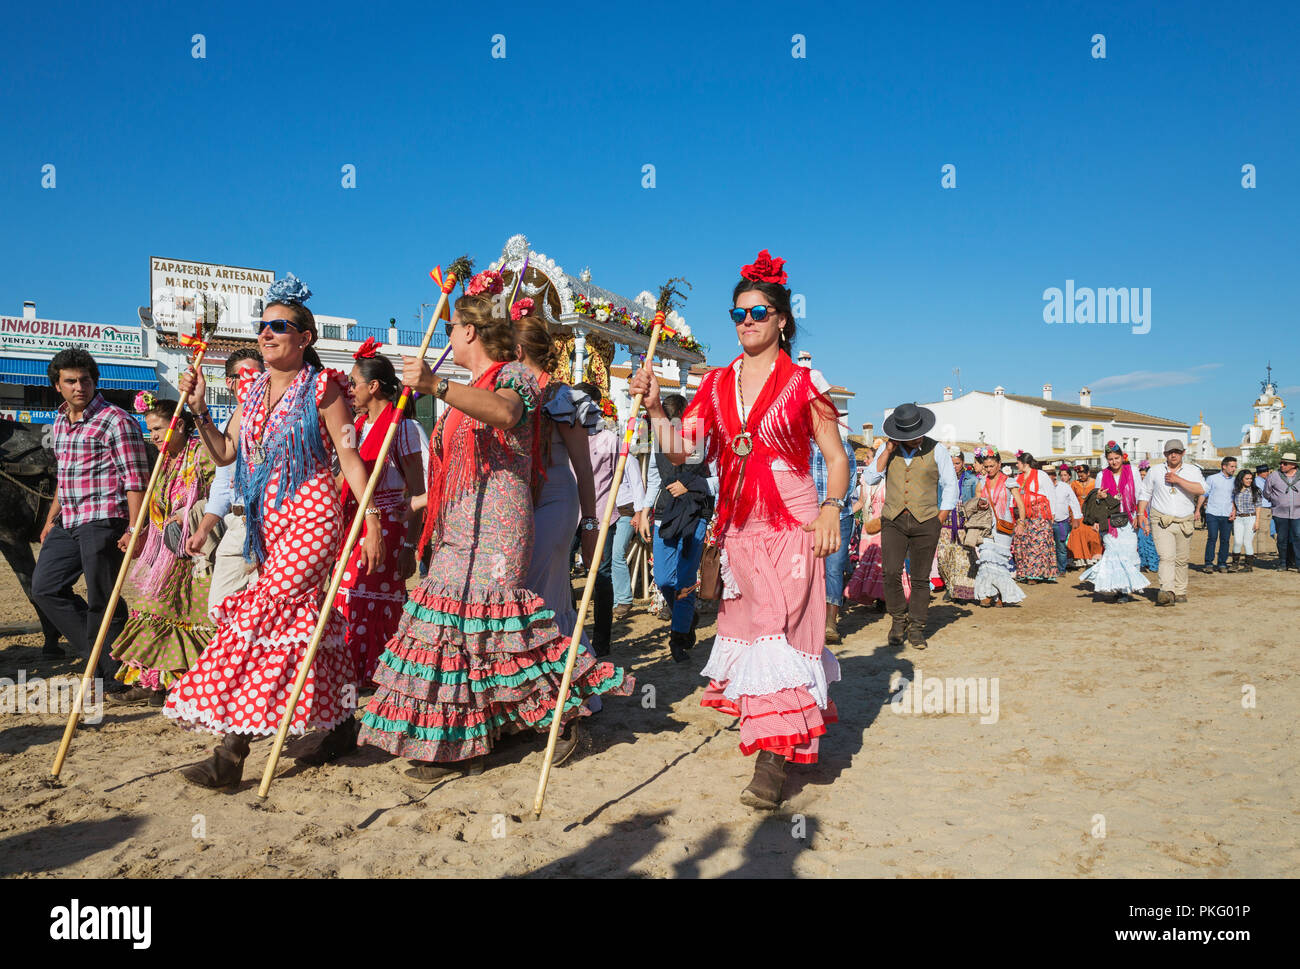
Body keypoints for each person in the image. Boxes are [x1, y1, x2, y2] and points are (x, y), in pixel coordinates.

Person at [358, 287, 632, 780]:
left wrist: (437, 386)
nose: (446, 338)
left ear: (469, 331)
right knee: (452, 631)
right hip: (459, 524)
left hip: (500, 524)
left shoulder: (512, 377)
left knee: (500, 629)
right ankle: (459, 739)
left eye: (450, 328)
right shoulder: (470, 384)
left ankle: (563, 714)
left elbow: (506, 414)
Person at [629, 248, 845, 809]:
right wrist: (656, 410)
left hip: (794, 522)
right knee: (753, 636)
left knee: (783, 634)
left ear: (781, 319)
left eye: (757, 312)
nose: (746, 321)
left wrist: (831, 507)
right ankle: (776, 740)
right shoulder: (719, 382)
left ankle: (773, 765)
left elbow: (835, 456)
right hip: (738, 530)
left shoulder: (804, 381)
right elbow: (685, 449)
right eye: (738, 313)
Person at [165, 274, 381, 788]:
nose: (266, 334)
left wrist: (369, 522)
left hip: (313, 516)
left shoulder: (325, 389)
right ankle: (342, 723)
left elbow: (349, 458)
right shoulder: (251, 388)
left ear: (304, 337)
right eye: (263, 326)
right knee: (307, 625)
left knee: (264, 612)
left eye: (279, 327)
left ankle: (231, 751)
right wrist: (198, 411)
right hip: (268, 522)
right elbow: (225, 454)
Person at [33, 348, 150, 690]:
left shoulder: (116, 420)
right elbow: (65, 476)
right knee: (44, 588)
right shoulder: (59, 421)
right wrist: (50, 517)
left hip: (104, 519)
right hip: (68, 519)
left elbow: (135, 479)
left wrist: (135, 527)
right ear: (58, 385)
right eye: (70, 381)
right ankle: (102, 658)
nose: (79, 387)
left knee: (103, 598)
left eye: (85, 380)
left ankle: (114, 678)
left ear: (94, 381)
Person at [107, 395, 216, 705]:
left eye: (158, 429)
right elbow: (158, 507)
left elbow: (223, 493)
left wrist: (189, 513)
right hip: (164, 553)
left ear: (179, 425)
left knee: (188, 617)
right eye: (150, 430)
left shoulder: (203, 454)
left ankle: (182, 683)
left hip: (195, 552)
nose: (153, 436)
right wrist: (139, 533)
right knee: (152, 611)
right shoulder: (165, 461)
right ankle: (152, 682)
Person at [335, 338, 426, 688]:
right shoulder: (356, 429)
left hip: (389, 529)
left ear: (373, 387)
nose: (349, 390)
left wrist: (409, 547)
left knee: (368, 601)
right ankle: (355, 671)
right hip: (356, 525)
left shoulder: (402, 428)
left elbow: (418, 492)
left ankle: (373, 671)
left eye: (353, 384)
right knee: (348, 597)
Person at [515, 307, 602, 650]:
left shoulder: (563, 397)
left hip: (555, 500)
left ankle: (560, 677)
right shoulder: (508, 394)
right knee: (523, 585)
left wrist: (591, 524)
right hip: (518, 500)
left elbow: (583, 465)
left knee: (541, 588)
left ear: (518, 352)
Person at [862, 403, 958, 649]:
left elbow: (950, 485)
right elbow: (870, 478)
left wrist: (940, 518)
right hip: (893, 519)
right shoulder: (888, 448)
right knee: (890, 572)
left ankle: (916, 627)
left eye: (918, 434)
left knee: (920, 577)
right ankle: (898, 620)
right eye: (910, 436)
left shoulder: (937, 450)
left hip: (926, 520)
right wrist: (888, 450)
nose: (916, 440)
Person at [185, 350, 265, 613]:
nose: (255, 380)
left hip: (271, 527)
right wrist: (203, 530)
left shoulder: (276, 418)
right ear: (231, 383)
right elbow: (223, 483)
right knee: (219, 610)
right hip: (238, 526)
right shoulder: (226, 423)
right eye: (246, 376)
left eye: (260, 374)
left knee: (266, 613)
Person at [639, 392, 717, 662]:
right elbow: (652, 476)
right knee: (662, 578)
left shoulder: (703, 439)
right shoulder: (657, 442)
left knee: (684, 578)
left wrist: (692, 484)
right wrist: (644, 511)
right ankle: (687, 615)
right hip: (665, 513)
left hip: (695, 512)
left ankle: (679, 638)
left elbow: (718, 478)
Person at [573, 380, 628, 657]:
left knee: (600, 574)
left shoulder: (608, 439)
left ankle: (602, 639)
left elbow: (623, 476)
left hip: (597, 515)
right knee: (562, 572)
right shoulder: (568, 435)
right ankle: (572, 630)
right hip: (569, 513)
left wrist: (636, 509)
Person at [1136, 438, 1206, 605]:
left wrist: (1178, 480)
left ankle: (1180, 591)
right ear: (1165, 454)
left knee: (1181, 559)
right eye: (1170, 452)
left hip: (1185, 520)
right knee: (1166, 557)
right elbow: (1145, 493)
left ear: (1183, 453)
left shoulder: (1193, 471)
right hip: (1161, 520)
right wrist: (1140, 514)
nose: (1173, 455)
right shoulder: (1155, 471)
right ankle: (1167, 591)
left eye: (1177, 451)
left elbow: (1202, 489)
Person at [1079, 462, 1147, 603]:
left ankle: (1124, 590)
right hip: (1108, 520)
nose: (1114, 462)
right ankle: (1117, 587)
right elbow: (1096, 500)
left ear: (1122, 457)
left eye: (1117, 458)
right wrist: (1098, 499)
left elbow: (1141, 493)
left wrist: (1139, 514)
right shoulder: (1101, 475)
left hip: (1129, 519)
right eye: (1110, 459)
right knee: (1113, 553)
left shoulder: (1133, 471)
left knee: (1127, 553)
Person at [971, 446, 1026, 607]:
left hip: (1004, 526)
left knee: (1000, 562)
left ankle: (1002, 594)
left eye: (991, 466)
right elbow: (976, 504)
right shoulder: (981, 482)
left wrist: (1021, 522)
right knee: (987, 558)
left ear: (999, 464)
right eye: (986, 466)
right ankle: (988, 593)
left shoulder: (1009, 482)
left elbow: (1020, 505)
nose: (988, 469)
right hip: (986, 526)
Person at [934, 447, 979, 603]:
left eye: (958, 463)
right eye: (952, 463)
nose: (954, 466)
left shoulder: (972, 480)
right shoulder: (941, 480)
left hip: (963, 525)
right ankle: (950, 586)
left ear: (963, 463)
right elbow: (937, 501)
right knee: (944, 557)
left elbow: (976, 502)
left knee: (963, 561)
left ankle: (961, 592)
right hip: (944, 524)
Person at [1012, 452, 1058, 583]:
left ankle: (1036, 574)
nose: (1016, 465)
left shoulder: (1041, 475)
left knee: (1037, 544)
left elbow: (1051, 493)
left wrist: (1052, 512)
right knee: (1024, 543)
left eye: (1018, 463)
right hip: (1023, 515)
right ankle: (1025, 572)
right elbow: (1014, 495)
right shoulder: (1018, 478)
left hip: (1039, 515)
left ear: (1025, 463)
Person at [1196, 456, 1238, 573]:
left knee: (1225, 540)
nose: (1234, 469)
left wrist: (1234, 510)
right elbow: (1204, 494)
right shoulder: (1211, 479)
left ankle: (1222, 563)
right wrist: (1197, 510)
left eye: (1235, 466)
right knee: (1212, 538)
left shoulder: (1235, 481)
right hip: (1212, 513)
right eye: (1232, 466)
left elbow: (1235, 498)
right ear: (1224, 466)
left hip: (1227, 514)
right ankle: (1208, 563)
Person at [1261, 451, 1300, 571]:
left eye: (1284, 463)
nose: (1281, 465)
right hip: (1279, 513)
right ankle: (1283, 562)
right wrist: (1277, 500)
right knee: (1282, 538)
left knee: (1298, 537)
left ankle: (1298, 563)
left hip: (1298, 514)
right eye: (1281, 463)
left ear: (1293, 465)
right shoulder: (1274, 476)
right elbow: (1266, 493)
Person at [1066, 464, 1102, 568]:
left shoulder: (1095, 483)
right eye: (1078, 474)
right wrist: (1070, 514)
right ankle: (1078, 559)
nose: (1080, 476)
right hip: (1077, 513)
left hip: (1091, 512)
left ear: (1088, 473)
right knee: (1077, 533)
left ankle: (1093, 557)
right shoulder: (1074, 483)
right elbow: (1070, 499)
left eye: (1082, 473)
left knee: (1092, 534)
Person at [1050, 463, 1083, 574]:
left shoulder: (1064, 487)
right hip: (1046, 522)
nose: (1048, 477)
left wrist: (1077, 518)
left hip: (1061, 522)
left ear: (1055, 475)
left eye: (1050, 474)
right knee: (1046, 547)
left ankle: (1061, 569)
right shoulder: (1042, 488)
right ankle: (1050, 569)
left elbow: (1074, 502)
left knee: (1061, 547)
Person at [1228, 468, 1260, 572]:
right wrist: (1234, 510)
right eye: (1247, 478)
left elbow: (1258, 506)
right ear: (1241, 479)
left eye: (1251, 478)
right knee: (1237, 541)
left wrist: (1257, 521)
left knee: (1247, 542)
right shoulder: (1235, 490)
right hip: (1238, 518)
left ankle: (1248, 566)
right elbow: (1232, 502)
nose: (1250, 480)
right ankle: (1235, 564)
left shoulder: (1256, 490)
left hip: (1251, 517)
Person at [1135, 461, 1161, 572]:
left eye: (1144, 475)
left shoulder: (1152, 486)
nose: (1142, 477)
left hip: (1150, 514)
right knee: (1140, 539)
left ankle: (1153, 563)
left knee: (1150, 539)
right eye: (1140, 475)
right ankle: (1143, 562)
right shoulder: (1136, 485)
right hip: (1140, 514)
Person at [1253, 464, 1276, 558]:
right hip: (1262, 507)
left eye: (1267, 471)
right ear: (1260, 473)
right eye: (1265, 471)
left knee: (1269, 529)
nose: (1267, 473)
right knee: (1262, 530)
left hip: (1268, 507)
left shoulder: (1263, 480)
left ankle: (1269, 549)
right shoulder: (1258, 482)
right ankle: (1261, 551)